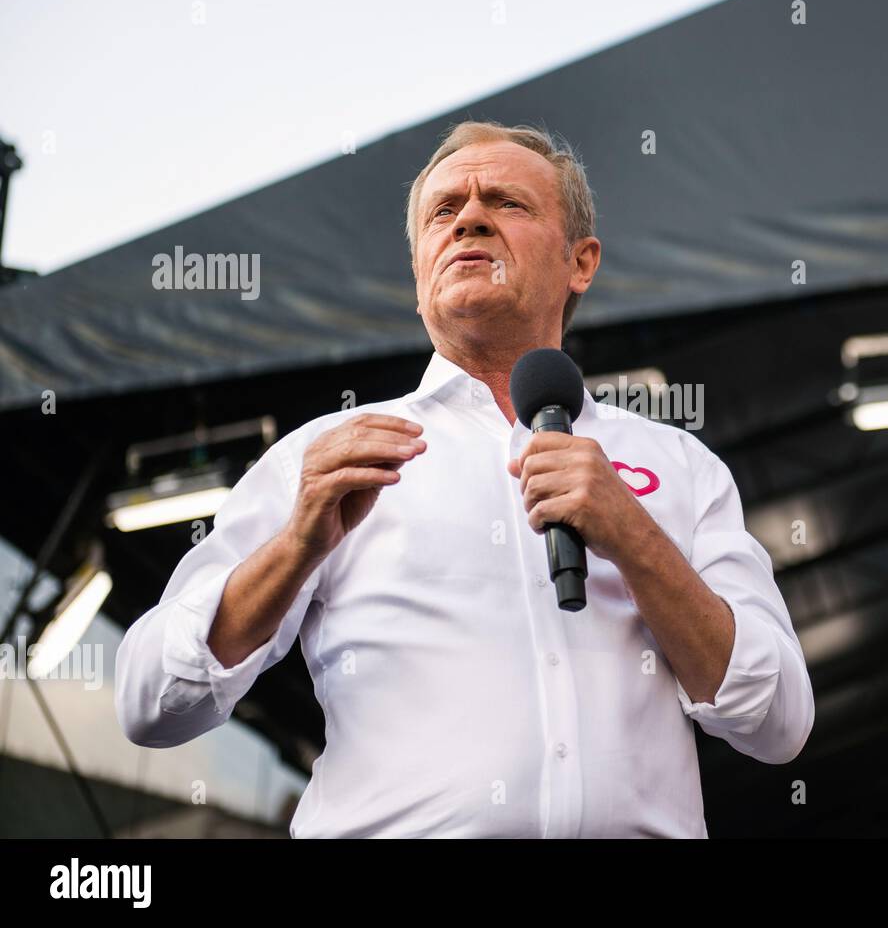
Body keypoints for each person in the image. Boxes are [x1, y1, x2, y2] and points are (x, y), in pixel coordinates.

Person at [115, 120, 815, 837]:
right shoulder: (325, 459)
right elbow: (151, 701)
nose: (470, 218)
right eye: (444, 211)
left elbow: (778, 723)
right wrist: (296, 544)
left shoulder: (680, 468)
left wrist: (635, 538)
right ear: (420, 271)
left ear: (582, 261)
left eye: (507, 202)